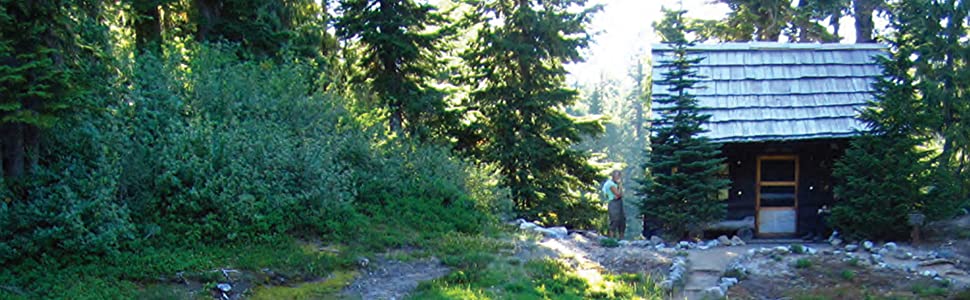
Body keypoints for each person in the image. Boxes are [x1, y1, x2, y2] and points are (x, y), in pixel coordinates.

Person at [602, 170, 625, 239]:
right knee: (615, 220)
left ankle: (621, 239)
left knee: (622, 221)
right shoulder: (610, 184)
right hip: (614, 203)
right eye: (617, 176)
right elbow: (618, 194)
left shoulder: (614, 184)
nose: (618, 178)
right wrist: (620, 185)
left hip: (618, 203)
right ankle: (611, 238)